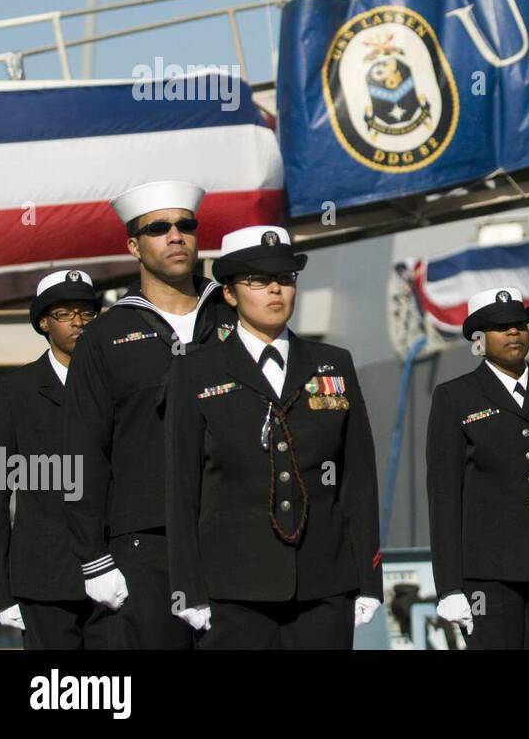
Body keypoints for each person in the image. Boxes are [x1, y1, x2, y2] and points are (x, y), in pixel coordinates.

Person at [164, 225, 382, 649]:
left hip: (324, 586)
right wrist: (189, 588)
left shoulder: (333, 365)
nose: (275, 290)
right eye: (259, 281)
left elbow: (359, 484)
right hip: (233, 591)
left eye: (285, 279)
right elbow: (181, 489)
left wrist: (369, 579)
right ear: (229, 294)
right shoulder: (195, 371)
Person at [63, 180, 238, 649]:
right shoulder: (104, 338)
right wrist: (94, 559)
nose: (176, 236)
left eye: (186, 225)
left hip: (236, 536)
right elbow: (82, 453)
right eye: (159, 228)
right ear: (133, 245)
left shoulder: (237, 315)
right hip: (145, 545)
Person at [426, 287, 529, 649]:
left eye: (519, 324)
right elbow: (444, 496)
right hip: (488, 576)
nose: (513, 333)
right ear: (478, 339)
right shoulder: (454, 398)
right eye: (500, 327)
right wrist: (449, 586)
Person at [0, 270, 105, 649]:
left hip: (115, 573)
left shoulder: (115, 384)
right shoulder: (13, 392)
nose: (79, 323)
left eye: (86, 312)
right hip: (44, 580)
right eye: (66, 314)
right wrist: (2, 594)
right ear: (44, 323)